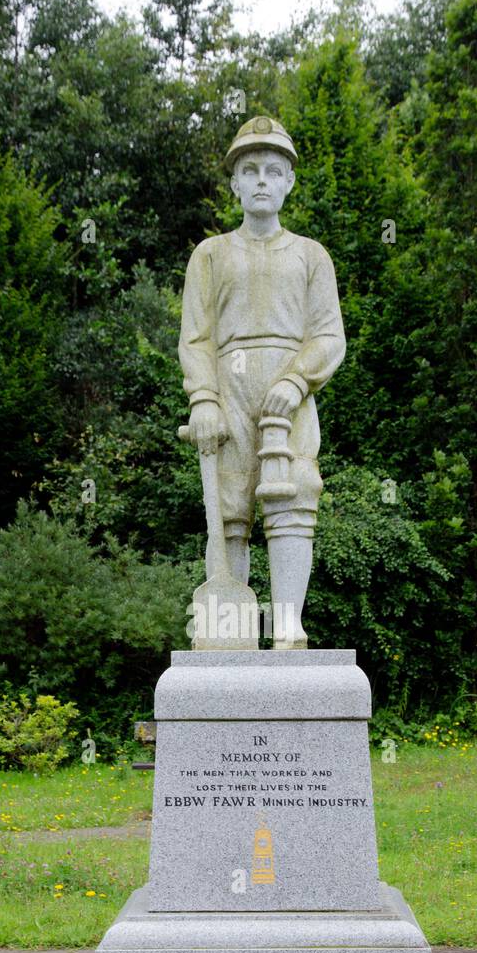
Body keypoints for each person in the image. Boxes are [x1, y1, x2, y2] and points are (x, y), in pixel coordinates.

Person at [179, 114, 346, 649]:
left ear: (289, 182)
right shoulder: (209, 255)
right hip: (229, 390)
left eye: (273, 171)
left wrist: (298, 381)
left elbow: (328, 335)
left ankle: (287, 629)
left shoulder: (311, 255)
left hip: (289, 401)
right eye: (249, 170)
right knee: (228, 505)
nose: (260, 181)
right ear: (233, 183)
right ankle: (227, 632)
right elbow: (196, 337)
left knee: (293, 494)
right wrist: (203, 399)